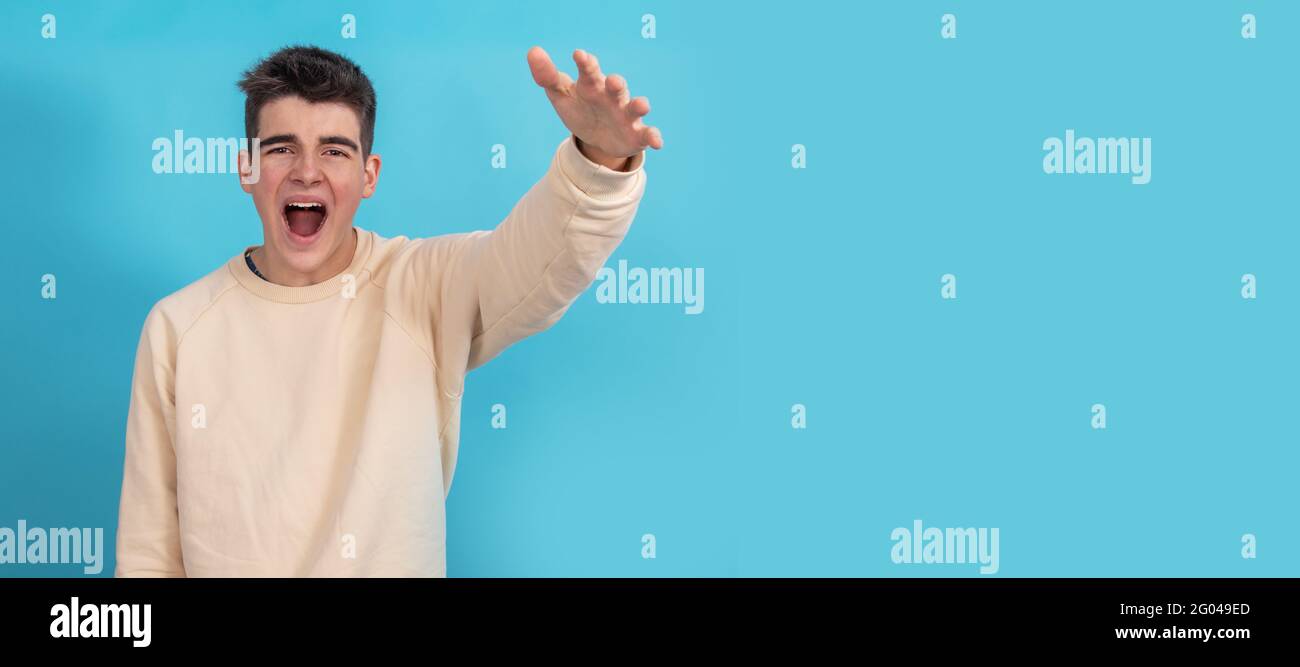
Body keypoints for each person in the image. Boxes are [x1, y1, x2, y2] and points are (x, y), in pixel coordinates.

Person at [115, 44, 662, 576]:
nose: (307, 172)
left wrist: (599, 162)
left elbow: (540, 261)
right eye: (282, 148)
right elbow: (149, 557)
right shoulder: (178, 327)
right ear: (247, 169)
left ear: (369, 174)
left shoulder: (424, 285)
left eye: (334, 150)